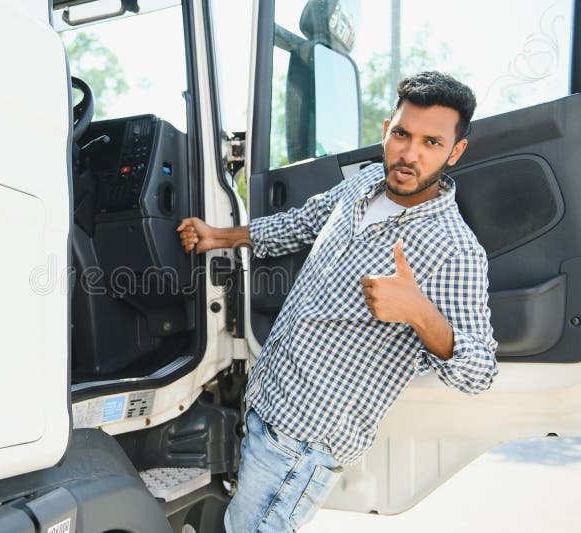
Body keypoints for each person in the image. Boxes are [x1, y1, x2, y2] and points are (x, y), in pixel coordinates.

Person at [176, 71, 498, 532]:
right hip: (268, 402)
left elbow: (480, 372)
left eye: (431, 142)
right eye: (403, 134)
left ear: (455, 151)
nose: (409, 154)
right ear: (387, 128)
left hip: (304, 444)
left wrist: (421, 314)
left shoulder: (454, 249)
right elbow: (303, 223)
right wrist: (221, 236)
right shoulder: (365, 183)